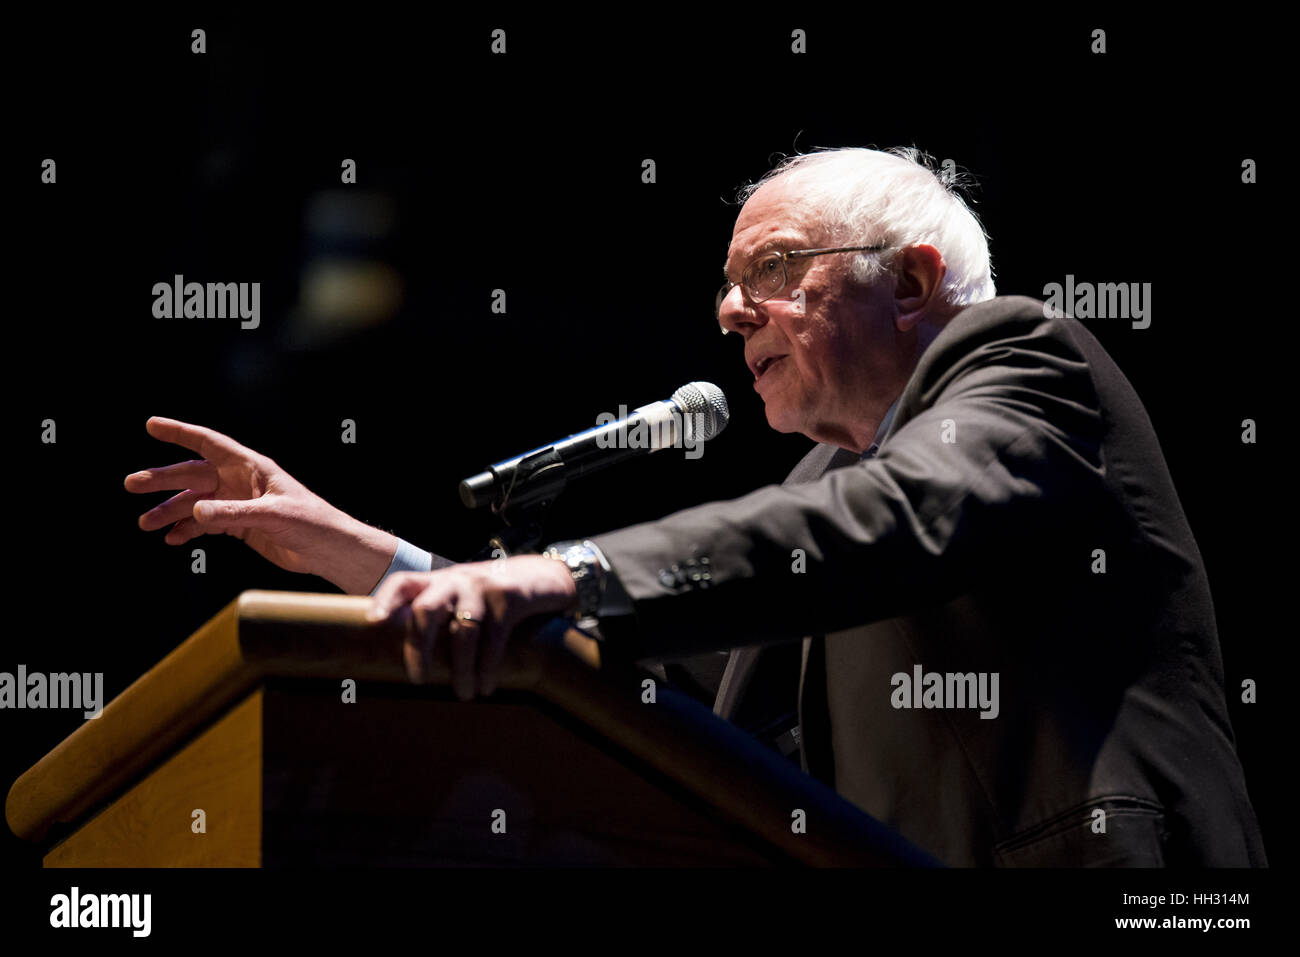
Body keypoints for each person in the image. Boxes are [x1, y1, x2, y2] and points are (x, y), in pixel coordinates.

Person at [126, 147, 1266, 867]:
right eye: (727, 285)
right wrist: (357, 552)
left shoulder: (1023, 360)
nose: (729, 314)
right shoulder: (818, 491)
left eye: (770, 273)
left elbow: (897, 518)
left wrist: (565, 570)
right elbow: (647, 700)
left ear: (912, 283)